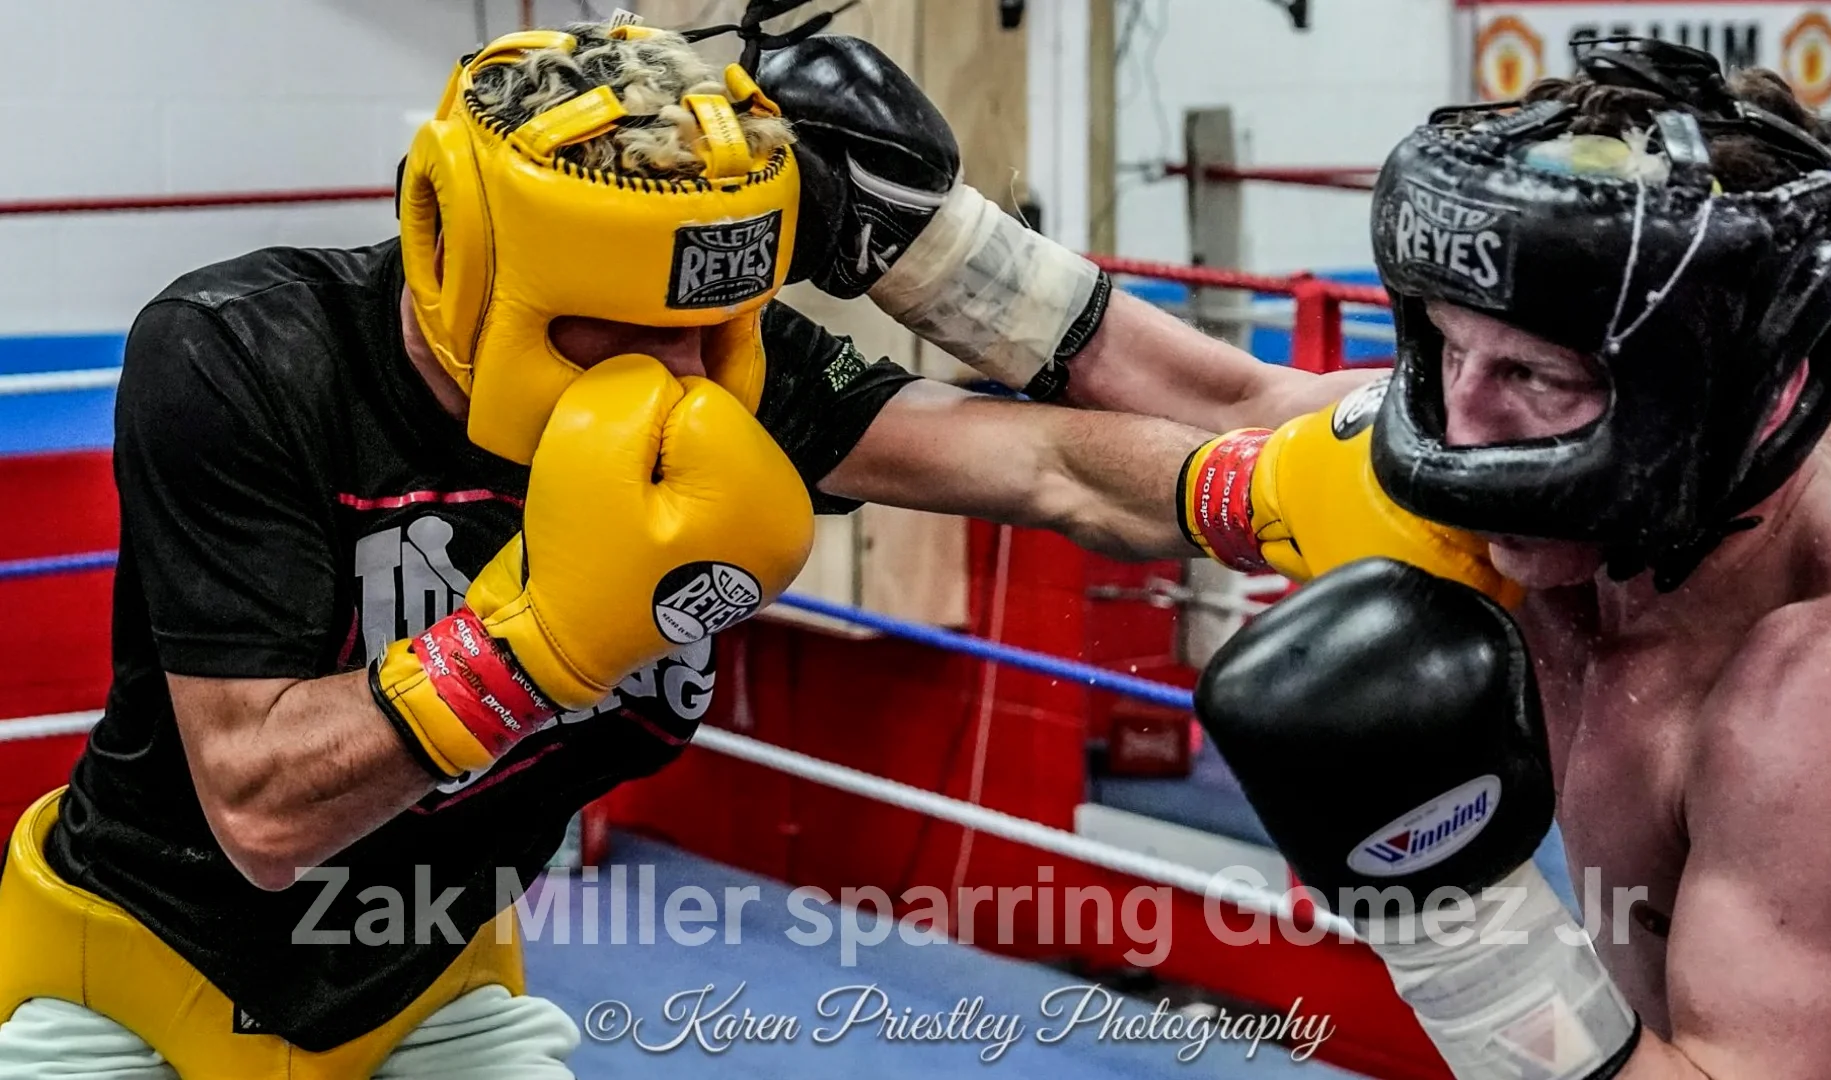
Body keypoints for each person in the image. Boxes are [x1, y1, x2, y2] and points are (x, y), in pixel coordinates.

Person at [0, 20, 1354, 1080]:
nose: (686, 379)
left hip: (428, 980)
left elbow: (1049, 461)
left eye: (713, 326)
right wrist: (536, 644)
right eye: (624, 327)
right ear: (462, 259)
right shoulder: (249, 359)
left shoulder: (718, 367)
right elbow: (260, 817)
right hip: (135, 965)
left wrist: (1281, 488)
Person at [787, 32, 1831, 1080]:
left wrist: (1452, 920)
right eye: (1448, 346)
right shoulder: (1578, 484)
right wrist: (924, 262)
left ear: (1756, 390)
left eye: (1535, 376)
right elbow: (1230, 409)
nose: (1462, 427)